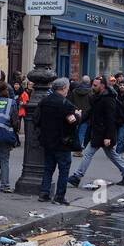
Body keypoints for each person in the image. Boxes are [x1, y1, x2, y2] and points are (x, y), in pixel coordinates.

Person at [68, 76, 124, 188]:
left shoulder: (108, 99)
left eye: (95, 85)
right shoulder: (97, 98)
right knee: (112, 154)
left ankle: (77, 176)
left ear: (102, 86)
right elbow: (89, 113)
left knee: (89, 153)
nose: (92, 87)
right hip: (99, 133)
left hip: (104, 134)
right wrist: (78, 120)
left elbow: (111, 119)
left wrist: (108, 136)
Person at [36, 77, 80, 205]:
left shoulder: (44, 101)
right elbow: (72, 121)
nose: (68, 90)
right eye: (67, 88)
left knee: (48, 168)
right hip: (62, 142)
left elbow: (36, 119)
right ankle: (59, 196)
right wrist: (78, 115)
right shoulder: (65, 104)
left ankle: (44, 193)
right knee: (63, 169)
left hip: (47, 140)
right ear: (63, 88)